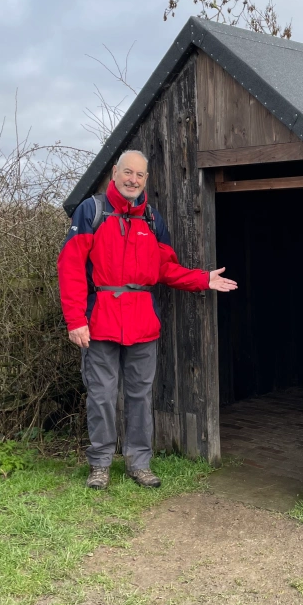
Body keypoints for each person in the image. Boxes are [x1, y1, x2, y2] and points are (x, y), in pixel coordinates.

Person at [57, 149, 237, 490]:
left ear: (146, 180)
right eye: (128, 172)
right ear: (115, 172)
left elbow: (165, 268)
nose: (133, 180)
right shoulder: (92, 211)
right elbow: (70, 267)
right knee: (101, 396)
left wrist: (202, 279)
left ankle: (139, 463)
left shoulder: (152, 219)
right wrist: (75, 320)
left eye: (139, 175)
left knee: (140, 397)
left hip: (142, 323)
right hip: (100, 322)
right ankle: (100, 464)